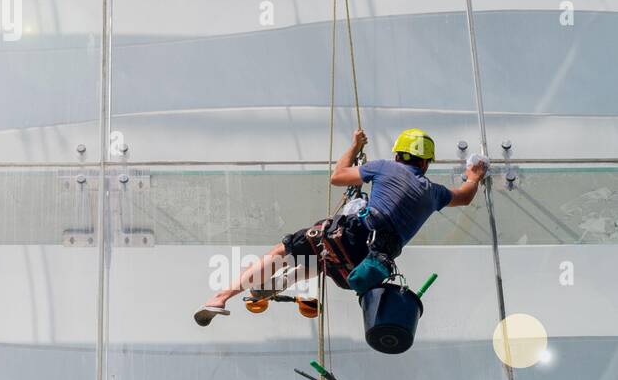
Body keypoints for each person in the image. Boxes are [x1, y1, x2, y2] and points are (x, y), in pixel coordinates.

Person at [194, 128, 488, 326]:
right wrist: (473, 175)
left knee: (284, 250)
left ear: (398, 155)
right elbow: (464, 196)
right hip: (365, 267)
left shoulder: (386, 167)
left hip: (348, 236)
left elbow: (338, 176)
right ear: (425, 164)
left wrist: (355, 146)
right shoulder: (432, 192)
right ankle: (280, 284)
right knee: (323, 264)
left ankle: (221, 297)